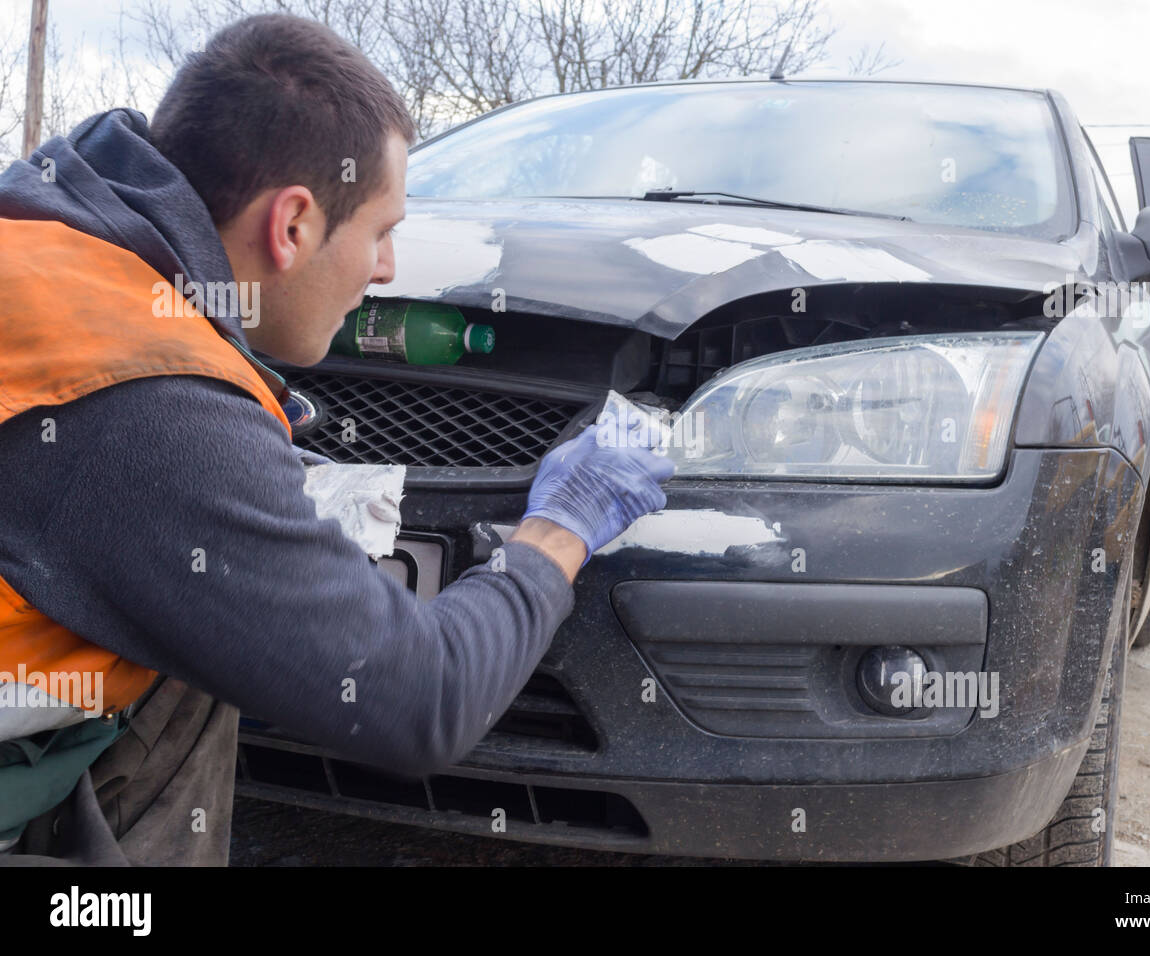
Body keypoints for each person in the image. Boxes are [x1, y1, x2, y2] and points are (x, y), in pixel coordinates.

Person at [0, 13, 672, 865]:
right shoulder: (141, 395)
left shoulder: (47, 234)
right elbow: (423, 702)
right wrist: (559, 529)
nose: (387, 269)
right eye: (382, 231)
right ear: (292, 226)